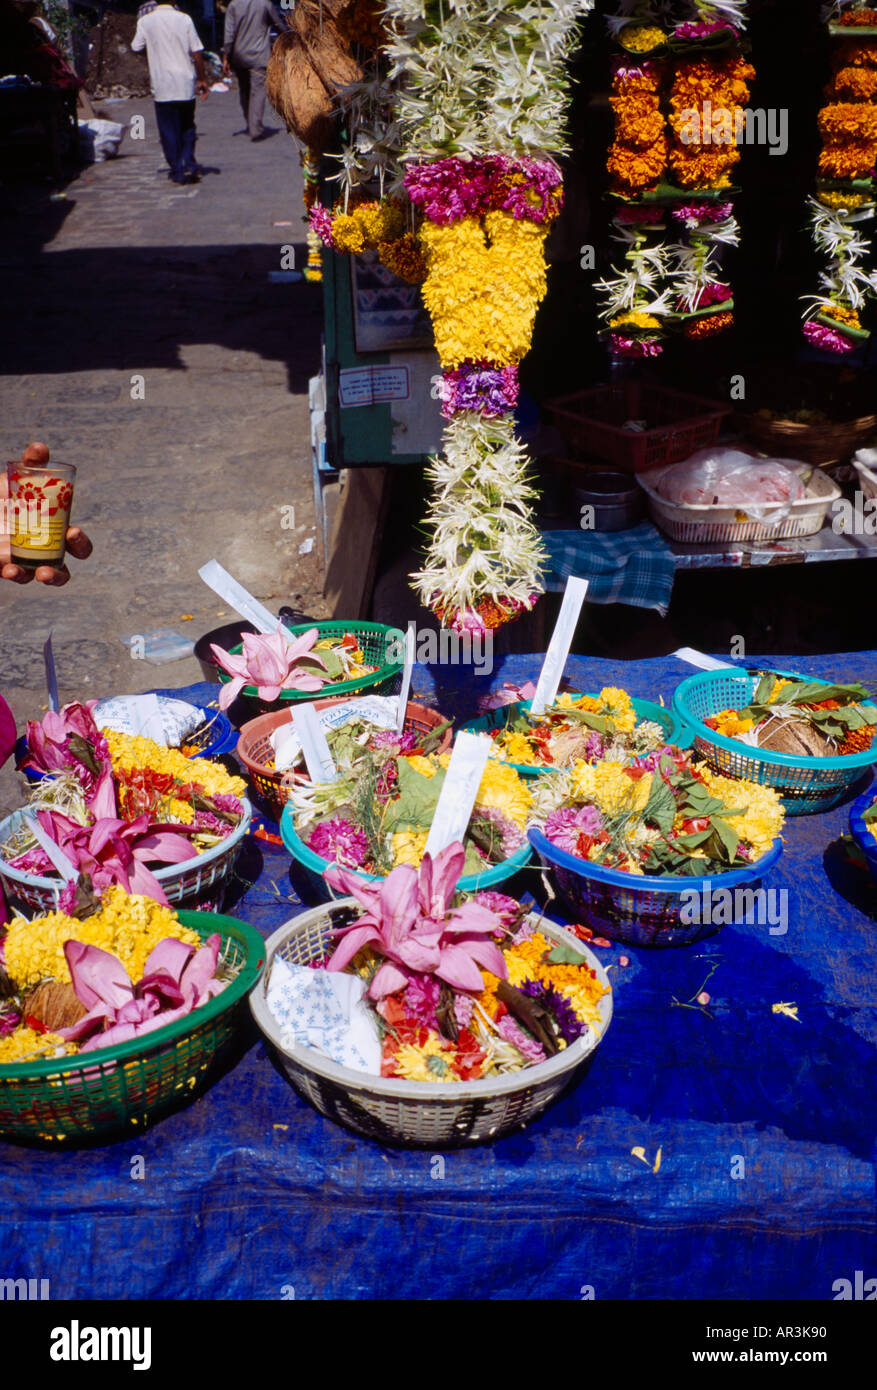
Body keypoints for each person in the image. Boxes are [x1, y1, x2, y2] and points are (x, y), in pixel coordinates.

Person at [131, 3, 209, 184]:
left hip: (162, 84)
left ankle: (177, 169)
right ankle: (189, 163)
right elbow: (197, 52)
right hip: (185, 82)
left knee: (168, 130)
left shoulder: (145, 22)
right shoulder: (184, 19)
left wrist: (155, 50)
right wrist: (203, 79)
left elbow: (136, 47)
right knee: (187, 126)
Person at [222, 0, 288, 141]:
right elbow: (278, 25)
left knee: (244, 90)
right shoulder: (265, 4)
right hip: (259, 55)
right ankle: (255, 128)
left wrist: (226, 55)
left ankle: (250, 123)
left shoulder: (233, 5)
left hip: (239, 55)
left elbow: (229, 34)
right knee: (257, 91)